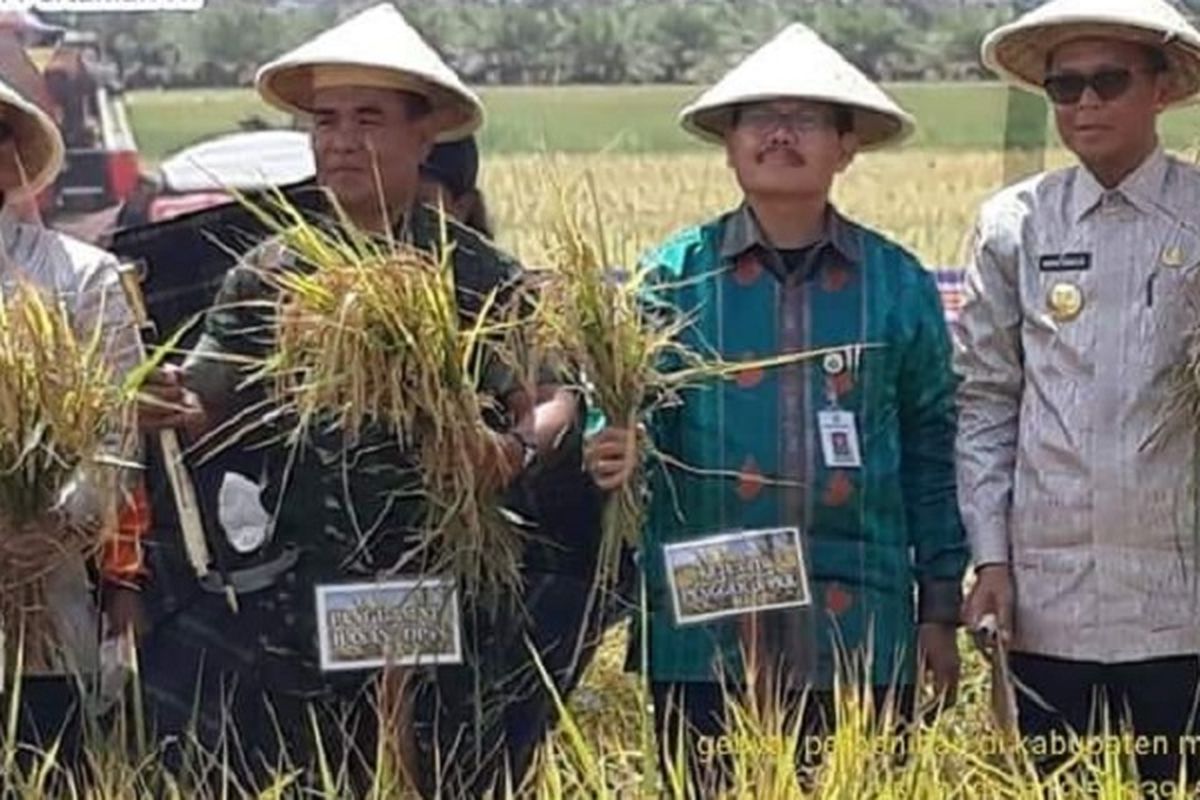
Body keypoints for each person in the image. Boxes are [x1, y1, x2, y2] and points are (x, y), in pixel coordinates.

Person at [136, 5, 577, 796]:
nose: (340, 139)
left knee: (433, 772)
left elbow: (549, 398)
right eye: (326, 120)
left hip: (449, 586)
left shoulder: (474, 274)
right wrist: (161, 400)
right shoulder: (273, 272)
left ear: (423, 135)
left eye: (368, 118)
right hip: (299, 595)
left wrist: (508, 453)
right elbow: (208, 401)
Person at [584, 23, 966, 797]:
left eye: (808, 118)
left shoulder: (897, 284)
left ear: (846, 145)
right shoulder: (670, 281)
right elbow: (617, 414)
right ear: (728, 143)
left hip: (860, 620)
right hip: (706, 634)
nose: (781, 134)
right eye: (759, 117)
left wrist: (940, 606)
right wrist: (608, 444)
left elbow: (932, 448)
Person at [959, 0, 1200, 786]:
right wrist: (989, 556)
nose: (1086, 103)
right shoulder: (1014, 225)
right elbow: (988, 400)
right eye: (1067, 87)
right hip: (1047, 601)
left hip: (1182, 603)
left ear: (1161, 87)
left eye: (1109, 81)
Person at [0, 71, 143, 770]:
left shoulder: (83, 279)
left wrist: (45, 525)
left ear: (9, 157)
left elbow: (117, 441)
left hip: (47, 620)